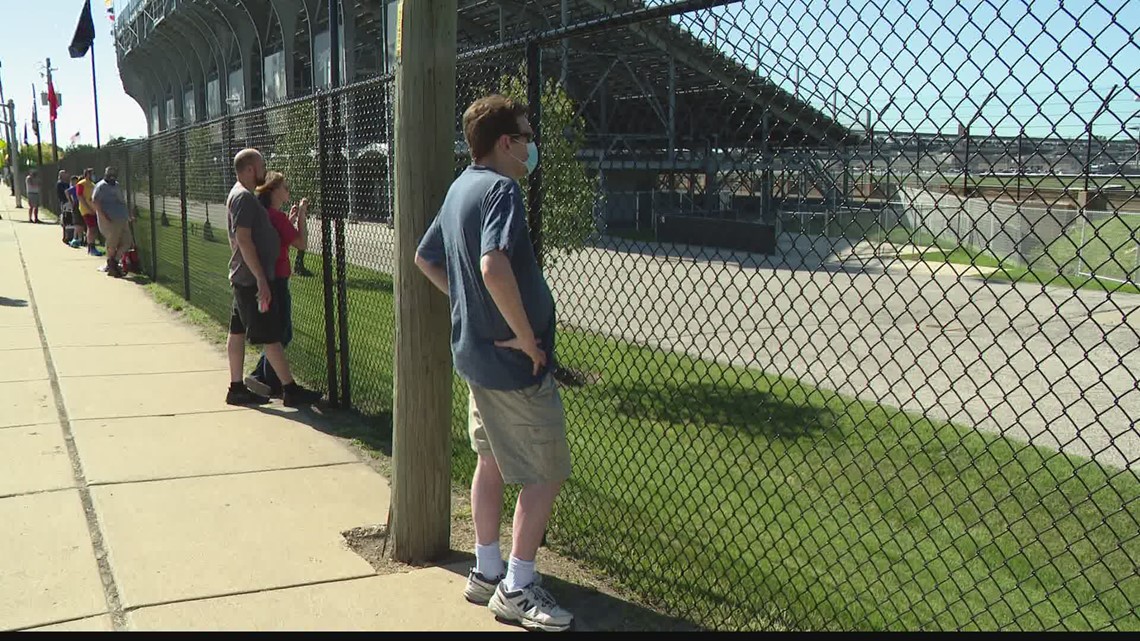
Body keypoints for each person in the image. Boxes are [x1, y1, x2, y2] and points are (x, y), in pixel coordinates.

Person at [414, 95, 573, 632]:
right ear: (506, 143)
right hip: (511, 367)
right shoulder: (502, 190)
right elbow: (492, 266)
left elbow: (425, 259)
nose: (531, 146)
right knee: (545, 473)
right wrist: (527, 339)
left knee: (492, 460)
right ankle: (517, 587)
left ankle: (486, 571)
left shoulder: (460, 188)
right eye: (526, 137)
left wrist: (470, 308)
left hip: (476, 359)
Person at [224, 148, 322, 408]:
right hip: (251, 280)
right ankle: (289, 389)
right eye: (261, 165)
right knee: (270, 335)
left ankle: (236, 387)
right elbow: (243, 239)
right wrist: (261, 279)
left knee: (237, 331)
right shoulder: (244, 197)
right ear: (249, 169)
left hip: (243, 276)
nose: (264, 170)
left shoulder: (239, 194)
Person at [243, 170, 309, 398]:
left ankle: (261, 376)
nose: (288, 190)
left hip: (265, 277)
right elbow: (301, 243)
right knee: (282, 333)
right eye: (284, 187)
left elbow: (275, 239)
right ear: (274, 191)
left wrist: (289, 222)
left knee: (274, 330)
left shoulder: (264, 215)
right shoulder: (277, 217)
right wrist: (302, 216)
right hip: (278, 279)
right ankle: (268, 380)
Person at [92, 166, 135, 278]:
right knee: (112, 243)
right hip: (110, 219)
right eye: (109, 174)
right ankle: (111, 266)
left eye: (113, 174)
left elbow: (122, 201)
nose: (111, 177)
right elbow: (95, 202)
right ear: (105, 174)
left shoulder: (116, 185)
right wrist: (104, 217)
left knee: (127, 242)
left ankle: (114, 262)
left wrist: (128, 214)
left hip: (122, 217)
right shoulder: (101, 186)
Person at [77, 168, 104, 257]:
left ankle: (92, 245)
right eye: (91, 174)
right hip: (86, 210)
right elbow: (80, 196)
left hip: (93, 209)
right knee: (91, 228)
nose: (93, 175)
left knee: (94, 228)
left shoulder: (93, 185)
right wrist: (88, 208)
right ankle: (91, 247)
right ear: (87, 174)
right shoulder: (81, 184)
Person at [56, 170, 74, 244]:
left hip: (68, 202)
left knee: (69, 219)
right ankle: (65, 236)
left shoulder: (67, 183)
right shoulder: (60, 184)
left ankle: (69, 235)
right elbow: (65, 192)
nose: (66, 175)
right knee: (65, 219)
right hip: (65, 202)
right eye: (64, 174)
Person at [66, 177, 84, 248]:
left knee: (80, 223)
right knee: (78, 222)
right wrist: (71, 201)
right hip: (77, 204)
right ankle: (78, 238)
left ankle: (77, 238)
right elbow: (67, 192)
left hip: (83, 204)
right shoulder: (77, 187)